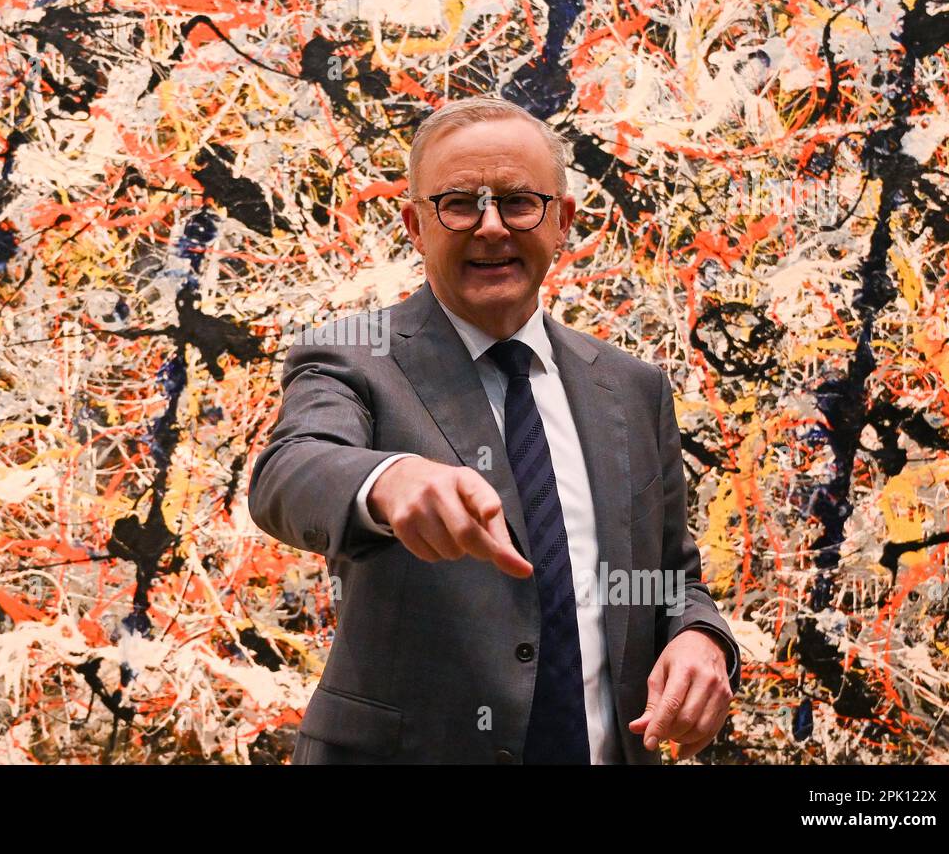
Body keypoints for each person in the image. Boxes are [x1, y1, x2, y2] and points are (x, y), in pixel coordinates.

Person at [248, 96, 739, 764]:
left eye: (517, 201)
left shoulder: (632, 387)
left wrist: (700, 639)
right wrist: (389, 481)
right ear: (415, 226)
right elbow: (289, 472)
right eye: (457, 203)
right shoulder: (349, 356)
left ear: (562, 220)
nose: (490, 228)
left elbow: (671, 582)